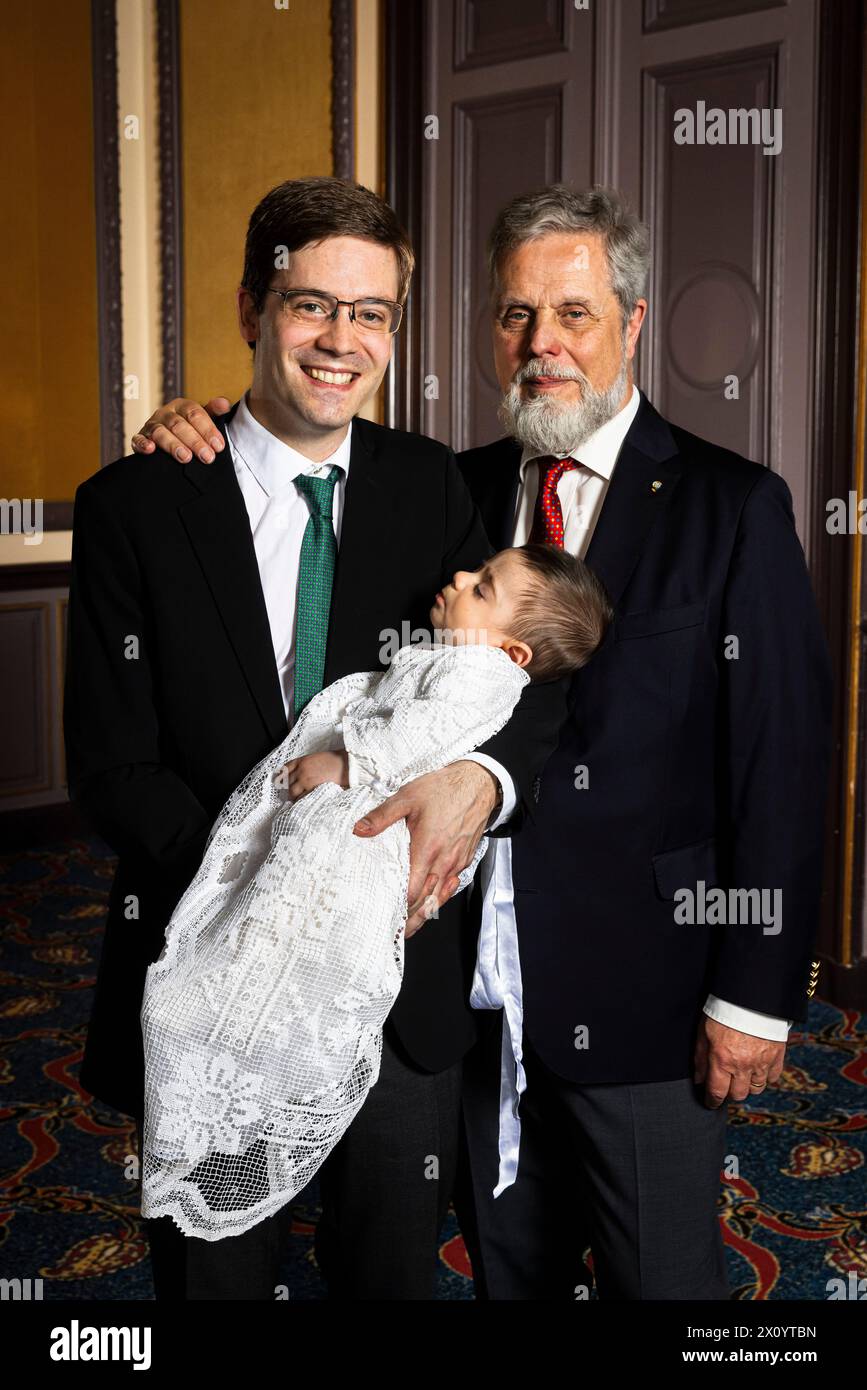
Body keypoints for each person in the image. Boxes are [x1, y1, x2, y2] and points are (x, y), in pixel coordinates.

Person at [141, 183, 834, 1301]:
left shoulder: (732, 503)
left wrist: (753, 997)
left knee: (669, 1286)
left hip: (649, 994)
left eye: (573, 314)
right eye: (516, 315)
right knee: (512, 1278)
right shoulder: (443, 489)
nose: (542, 345)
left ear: (634, 322)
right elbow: (291, 493)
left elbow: (782, 765)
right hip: (465, 994)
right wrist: (199, 431)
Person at [64, 176, 569, 1300]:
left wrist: (480, 782)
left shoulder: (430, 486)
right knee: (216, 1283)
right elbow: (109, 769)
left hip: (390, 990)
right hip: (217, 983)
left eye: (373, 312)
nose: (342, 341)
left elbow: (523, 680)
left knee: (388, 1276)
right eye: (311, 305)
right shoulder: (134, 505)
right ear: (253, 309)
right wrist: (272, 889)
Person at [140, 545, 612, 1241]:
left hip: (370, 818)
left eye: (480, 588)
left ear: (512, 651)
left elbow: (419, 733)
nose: (455, 579)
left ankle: (243, 1039)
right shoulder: (458, 655)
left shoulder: (476, 672)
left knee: (299, 923)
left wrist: (346, 759)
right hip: (360, 814)